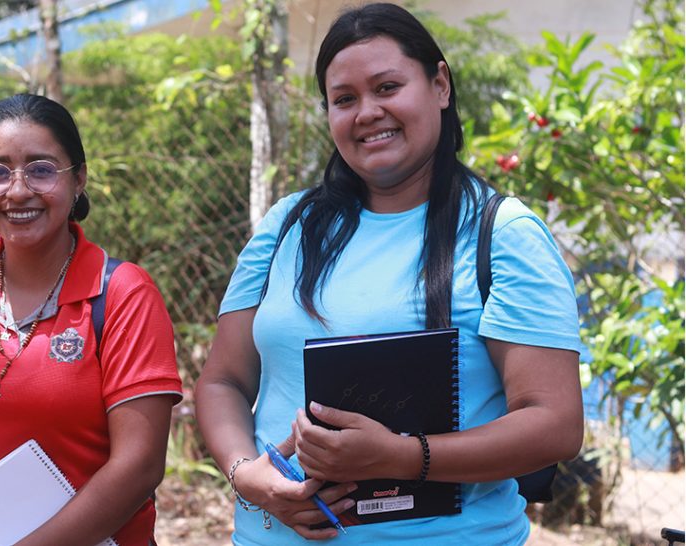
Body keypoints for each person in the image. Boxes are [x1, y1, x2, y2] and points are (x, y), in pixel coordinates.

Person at [196, 3, 584, 545]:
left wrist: (403, 457)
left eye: (387, 87)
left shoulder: (502, 233)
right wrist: (247, 475)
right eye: (344, 99)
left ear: (440, 84)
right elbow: (223, 380)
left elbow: (554, 423)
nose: (367, 112)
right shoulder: (286, 226)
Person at [0, 93, 183, 546]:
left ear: (78, 179)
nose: (18, 190)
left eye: (41, 169)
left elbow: (138, 464)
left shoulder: (122, 294)